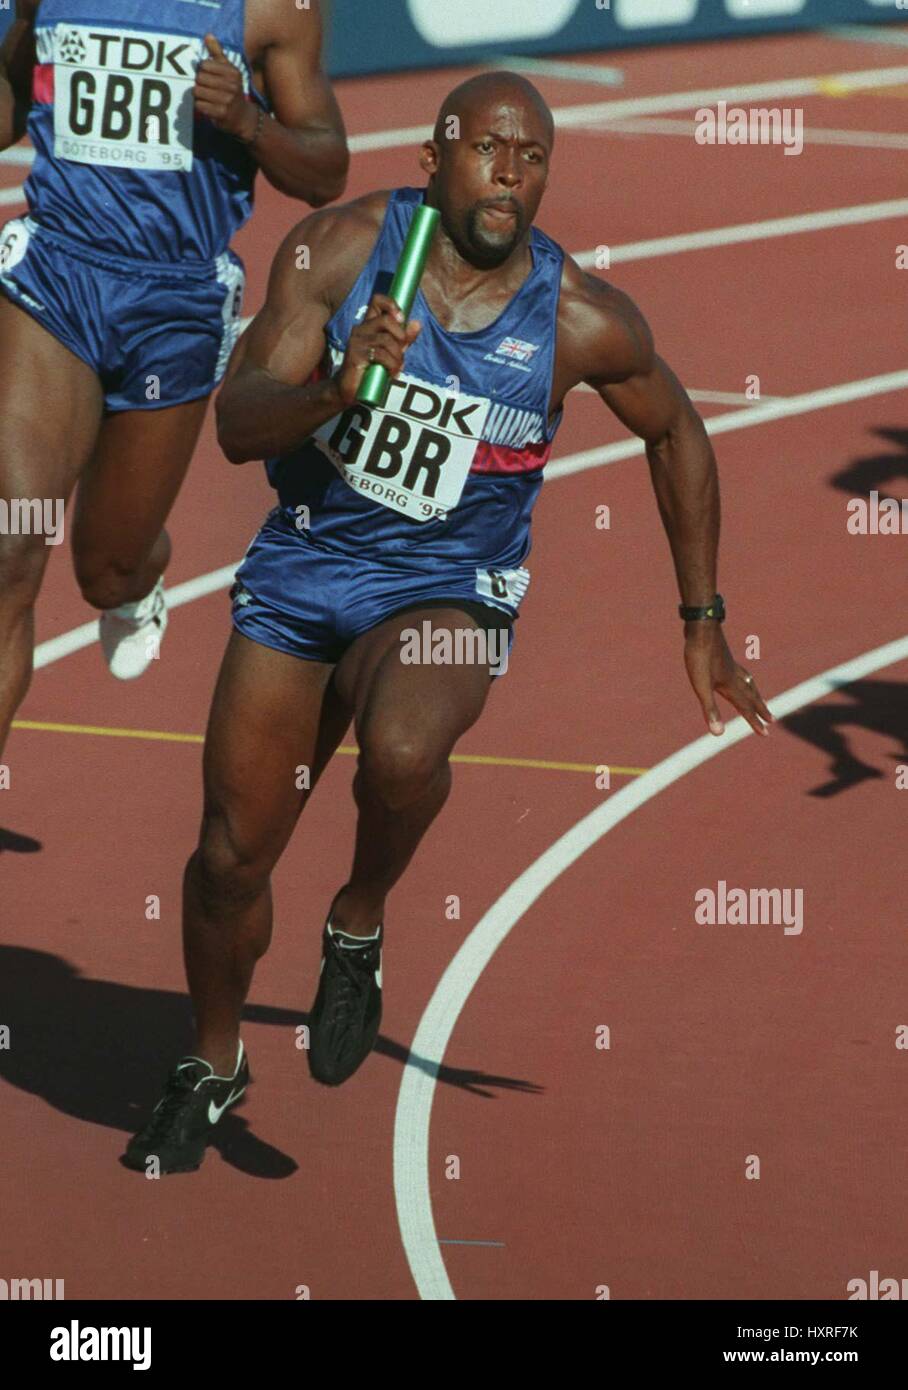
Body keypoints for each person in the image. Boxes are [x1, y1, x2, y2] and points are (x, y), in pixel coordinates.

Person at [124, 71, 772, 1175]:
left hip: (446, 587)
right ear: (435, 154)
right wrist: (334, 390)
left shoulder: (577, 317)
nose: (510, 178)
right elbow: (235, 422)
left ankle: (358, 917)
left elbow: (676, 434)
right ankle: (213, 1057)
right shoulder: (337, 250)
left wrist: (702, 616)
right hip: (307, 569)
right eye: (490, 151)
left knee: (407, 746)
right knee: (230, 858)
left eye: (532, 159)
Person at [0, 0, 348, 755]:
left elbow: (326, 168)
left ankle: (138, 577)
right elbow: (14, 96)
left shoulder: (267, 12)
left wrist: (249, 122)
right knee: (10, 547)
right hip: (54, 277)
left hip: (174, 302)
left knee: (106, 566)